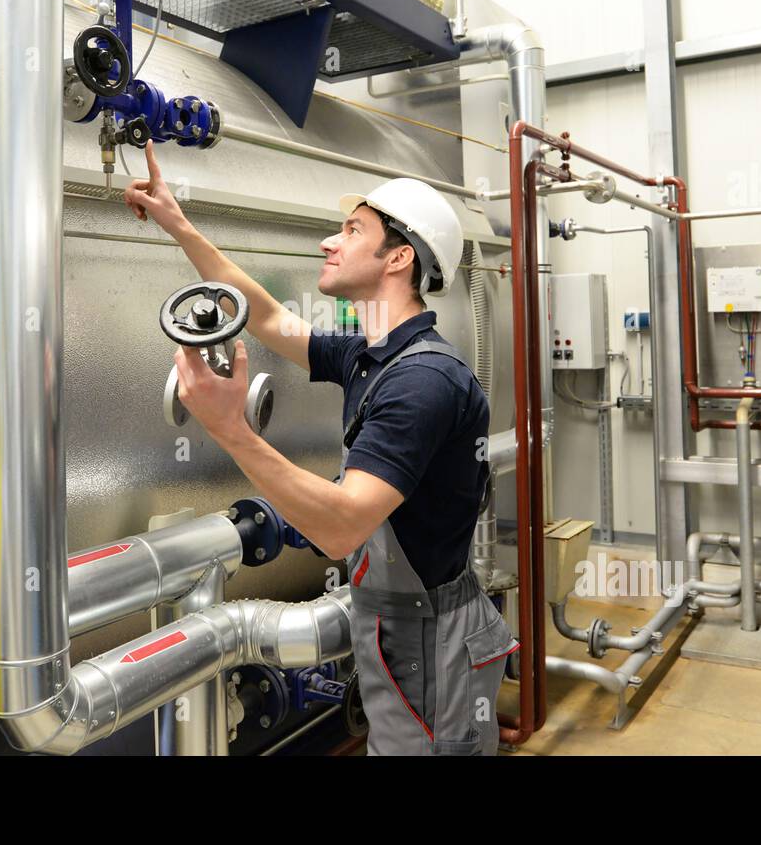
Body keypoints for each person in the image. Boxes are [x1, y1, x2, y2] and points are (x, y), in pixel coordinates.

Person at [124, 143, 517, 755]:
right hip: (397, 623)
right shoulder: (370, 353)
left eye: (352, 231)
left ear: (400, 258)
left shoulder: (422, 381)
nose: (329, 242)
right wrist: (179, 223)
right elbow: (270, 318)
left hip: (433, 640)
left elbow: (340, 525)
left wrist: (232, 429)